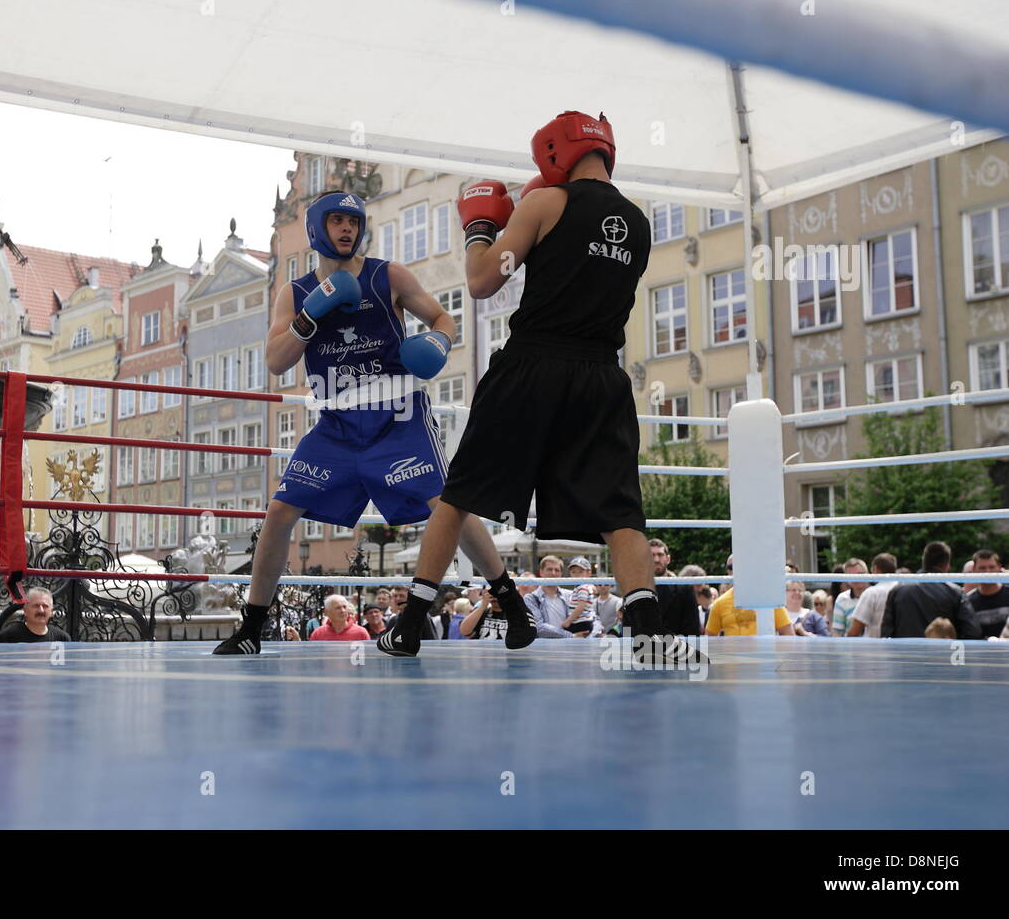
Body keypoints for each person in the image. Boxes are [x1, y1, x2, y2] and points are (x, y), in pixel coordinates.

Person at [379, 110, 694, 663]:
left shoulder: (545, 204)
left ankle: (408, 624)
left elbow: (480, 281)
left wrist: (482, 226)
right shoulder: (639, 223)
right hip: (601, 376)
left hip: (531, 367)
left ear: (554, 150)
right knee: (622, 513)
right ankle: (645, 632)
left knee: (460, 494)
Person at [214, 192, 506, 654]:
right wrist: (313, 313)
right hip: (336, 424)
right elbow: (274, 361)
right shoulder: (294, 294)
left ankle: (509, 598)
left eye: (353, 221)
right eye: (336, 220)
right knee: (279, 512)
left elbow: (442, 317)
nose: (347, 229)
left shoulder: (387, 274)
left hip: (397, 416)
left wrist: (437, 342)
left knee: (447, 502)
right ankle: (252, 627)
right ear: (316, 228)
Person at [882, 541, 980, 639]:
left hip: (904, 653)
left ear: (923, 561)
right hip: (940, 652)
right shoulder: (955, 592)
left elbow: (886, 633)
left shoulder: (897, 590)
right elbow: (972, 632)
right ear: (947, 565)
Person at [704, 565, 794, 636]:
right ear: (728, 571)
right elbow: (708, 639)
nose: (735, 570)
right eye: (730, 567)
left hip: (765, 658)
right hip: (732, 659)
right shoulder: (720, 603)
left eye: (740, 565)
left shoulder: (769, 599)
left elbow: (788, 633)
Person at [847, 553, 900, 638]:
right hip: (900, 647)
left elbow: (855, 629)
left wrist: (846, 642)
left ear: (875, 569)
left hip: (875, 648)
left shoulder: (871, 593)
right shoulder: (904, 590)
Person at [0, 587, 70, 643]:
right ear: (25, 610)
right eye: (36, 606)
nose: (41, 610)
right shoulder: (9, 636)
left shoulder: (62, 639)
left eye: (45, 606)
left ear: (51, 611)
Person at [964, 549, 1009, 639]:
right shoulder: (967, 601)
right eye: (982, 568)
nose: (987, 572)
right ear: (973, 570)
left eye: (992, 567)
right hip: (981, 651)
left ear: (999, 567)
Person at [832, 558, 869, 636]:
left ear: (868, 573)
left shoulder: (877, 595)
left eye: (860, 574)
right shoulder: (842, 599)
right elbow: (837, 632)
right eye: (852, 576)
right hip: (850, 646)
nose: (857, 578)